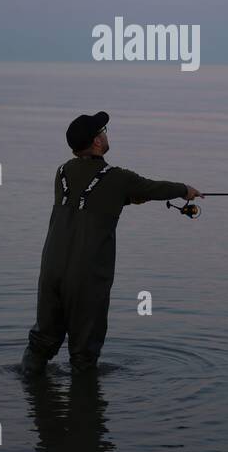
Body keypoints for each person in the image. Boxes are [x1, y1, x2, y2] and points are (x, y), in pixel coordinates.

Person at [20, 111, 203, 376]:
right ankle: (84, 409)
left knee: (41, 342)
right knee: (84, 353)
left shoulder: (61, 173)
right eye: (103, 131)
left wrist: (127, 198)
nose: (106, 134)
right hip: (87, 275)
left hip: (51, 270)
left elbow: (90, 197)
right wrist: (185, 190)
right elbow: (151, 188)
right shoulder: (117, 177)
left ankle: (34, 399)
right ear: (96, 142)